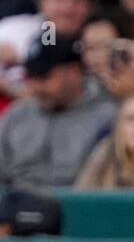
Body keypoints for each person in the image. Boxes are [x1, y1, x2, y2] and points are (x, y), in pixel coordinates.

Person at [0, 39, 116, 188]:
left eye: (44, 77)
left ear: (73, 72)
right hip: (17, 204)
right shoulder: (18, 114)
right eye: (31, 77)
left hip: (80, 205)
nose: (36, 87)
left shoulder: (107, 115)